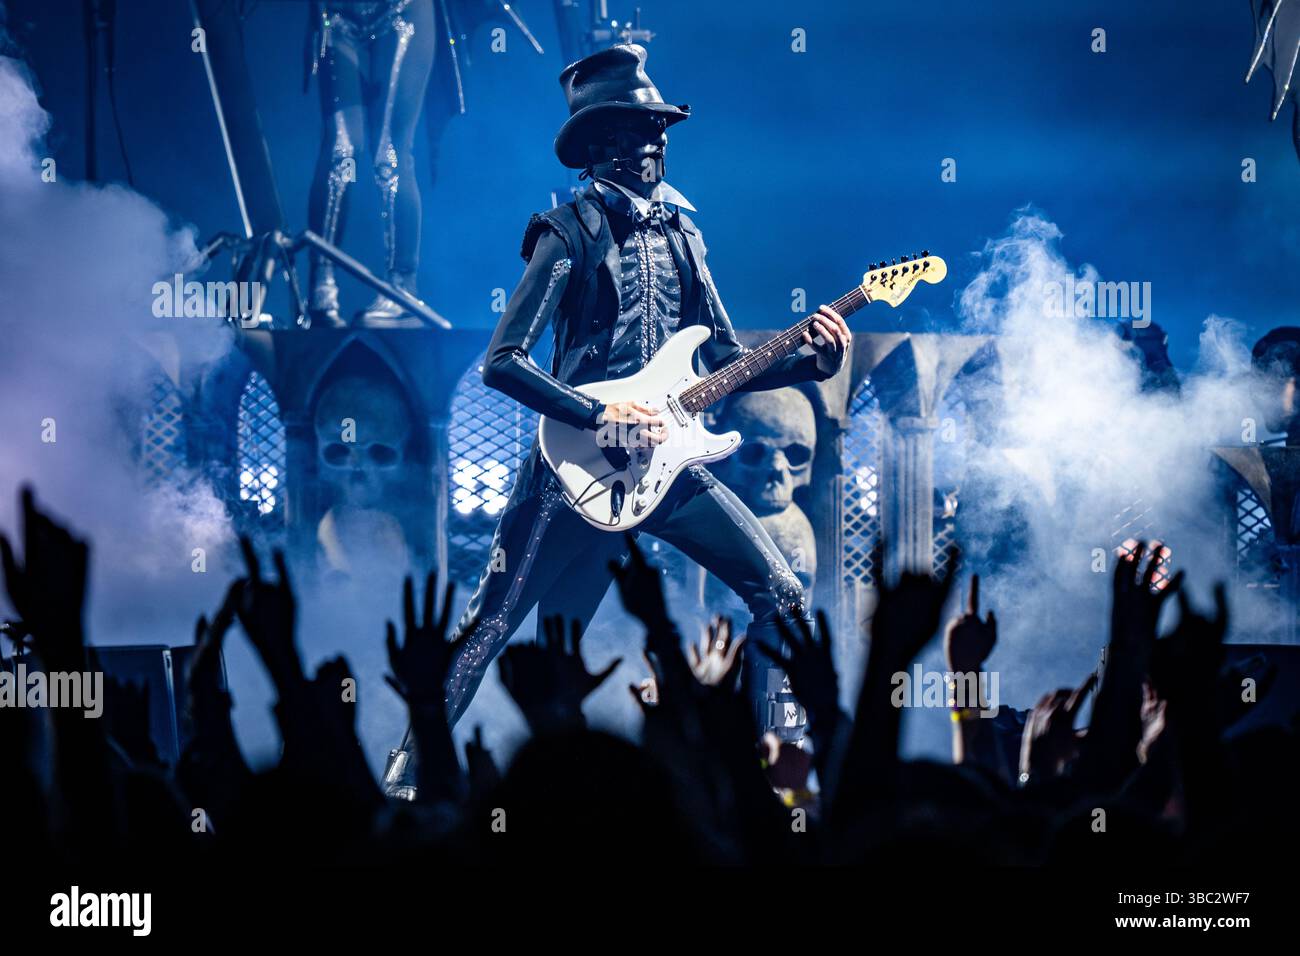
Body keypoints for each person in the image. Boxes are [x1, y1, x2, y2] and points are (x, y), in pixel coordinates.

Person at [304, 0, 438, 328]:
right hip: (337, 15)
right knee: (341, 150)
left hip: (401, 11)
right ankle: (321, 292)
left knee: (389, 154)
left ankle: (401, 289)